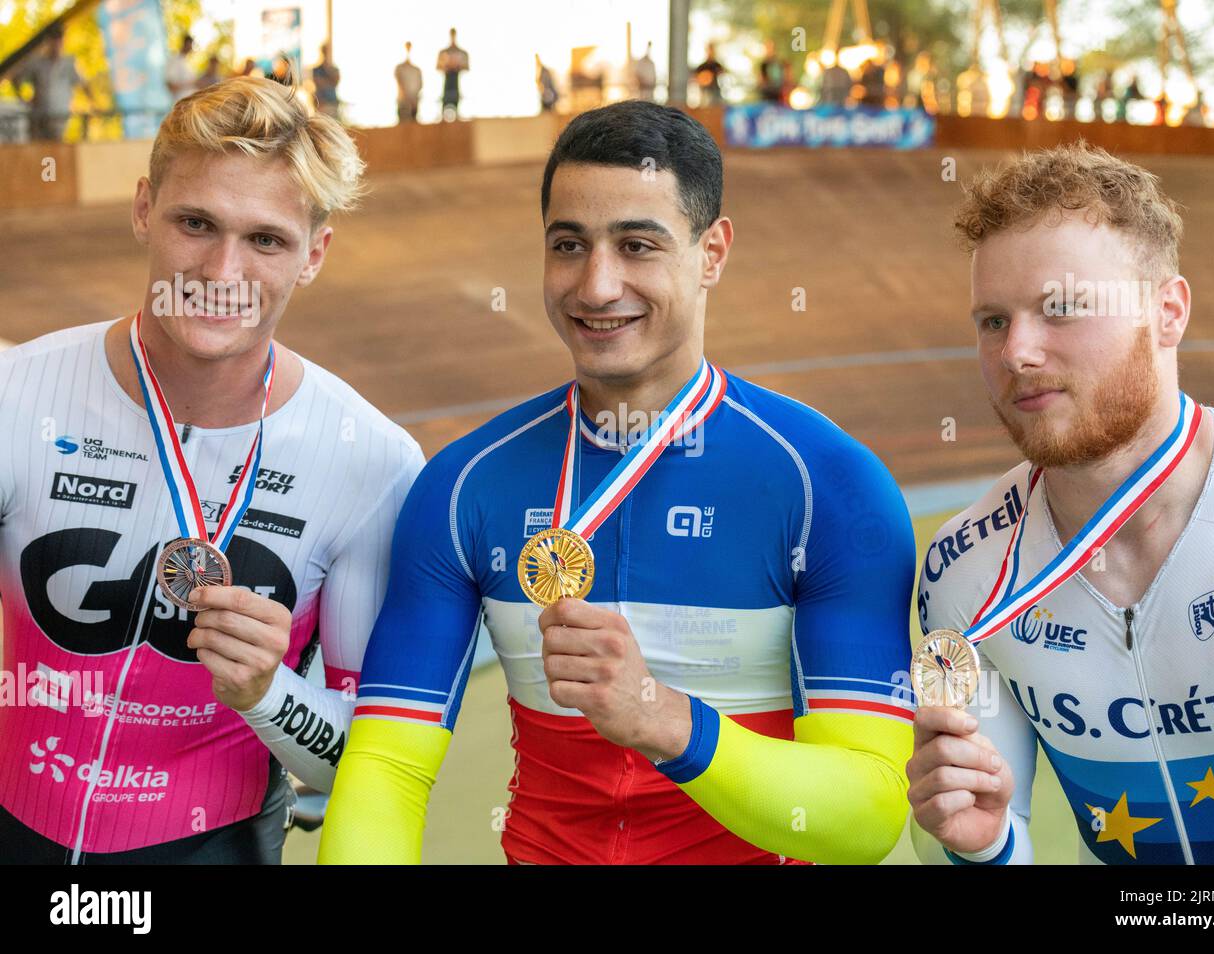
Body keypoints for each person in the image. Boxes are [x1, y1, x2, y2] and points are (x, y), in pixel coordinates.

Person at [320, 100, 917, 865]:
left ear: (713, 251)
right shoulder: (464, 486)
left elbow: (865, 815)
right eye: (569, 244)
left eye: (637, 245)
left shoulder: (827, 487)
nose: (597, 286)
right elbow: (387, 770)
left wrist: (665, 721)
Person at [0, 76, 424, 864]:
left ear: (313, 256)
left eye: (266, 240)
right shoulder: (15, 395)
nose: (222, 270)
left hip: (216, 848)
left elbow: (361, 767)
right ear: (141, 211)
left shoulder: (373, 461)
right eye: (196, 223)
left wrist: (270, 693)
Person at [908, 141, 1214, 865]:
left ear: (1168, 313)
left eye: (1061, 308)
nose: (1017, 352)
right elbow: (971, 835)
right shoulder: (956, 574)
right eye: (993, 321)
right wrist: (983, 844)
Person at [4, 24, 83, 142]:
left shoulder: (69, 63)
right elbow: (16, 78)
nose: (56, 45)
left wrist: (94, 105)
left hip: (60, 118)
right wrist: (23, 100)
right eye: (53, 40)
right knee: (38, 148)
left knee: (56, 149)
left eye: (59, 40)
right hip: (39, 118)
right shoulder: (36, 62)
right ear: (47, 42)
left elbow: (83, 84)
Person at [436, 28, 469, 121]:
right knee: (446, 98)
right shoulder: (444, 52)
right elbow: (438, 66)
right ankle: (443, 115)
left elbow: (466, 66)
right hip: (447, 79)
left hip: (456, 78)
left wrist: (457, 66)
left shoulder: (461, 52)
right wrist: (447, 66)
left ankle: (457, 114)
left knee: (455, 97)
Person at [395, 42, 422, 124]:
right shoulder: (399, 68)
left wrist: (414, 98)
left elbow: (420, 85)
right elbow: (399, 81)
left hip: (414, 102)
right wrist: (406, 96)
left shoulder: (417, 70)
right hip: (403, 102)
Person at [165, 33, 198, 102]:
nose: (191, 47)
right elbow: (171, 86)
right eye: (190, 44)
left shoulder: (187, 63)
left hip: (190, 103)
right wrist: (191, 83)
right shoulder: (174, 60)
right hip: (180, 104)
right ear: (185, 44)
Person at [312, 44, 341, 119]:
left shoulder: (334, 69)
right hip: (321, 103)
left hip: (331, 103)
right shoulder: (317, 69)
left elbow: (336, 81)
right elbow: (317, 82)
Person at [756, 39, 783, 103]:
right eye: (768, 48)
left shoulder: (780, 64)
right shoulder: (763, 65)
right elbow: (761, 81)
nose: (770, 50)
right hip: (767, 96)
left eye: (772, 47)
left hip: (781, 95)